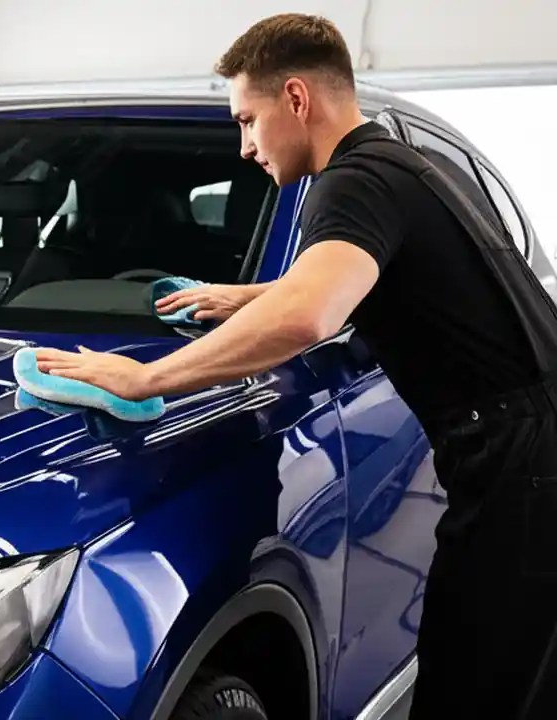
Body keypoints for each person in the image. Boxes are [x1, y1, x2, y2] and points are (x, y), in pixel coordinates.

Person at [34, 12, 557, 720]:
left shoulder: (353, 183)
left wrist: (144, 377)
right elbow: (363, 275)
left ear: (297, 99)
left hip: (521, 469)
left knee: (473, 690)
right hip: (528, 449)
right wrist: (245, 295)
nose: (245, 146)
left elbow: (314, 315)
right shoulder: (396, 164)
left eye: (248, 120)